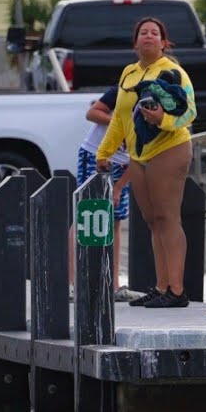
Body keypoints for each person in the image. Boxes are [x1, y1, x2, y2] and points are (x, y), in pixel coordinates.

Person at [97, 17, 197, 309]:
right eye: (144, 33)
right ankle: (161, 285)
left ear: (165, 43)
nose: (149, 36)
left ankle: (177, 291)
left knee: (168, 218)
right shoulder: (128, 73)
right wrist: (104, 152)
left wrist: (162, 120)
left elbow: (190, 112)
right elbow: (119, 118)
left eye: (155, 33)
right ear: (135, 42)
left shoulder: (172, 72)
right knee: (152, 221)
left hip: (170, 148)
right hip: (138, 156)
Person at [75, 85, 137, 300]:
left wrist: (119, 187)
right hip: (95, 153)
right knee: (85, 214)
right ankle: (73, 281)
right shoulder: (125, 89)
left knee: (116, 219)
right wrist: (118, 125)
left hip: (124, 163)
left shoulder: (165, 107)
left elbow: (140, 159)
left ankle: (113, 283)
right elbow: (92, 112)